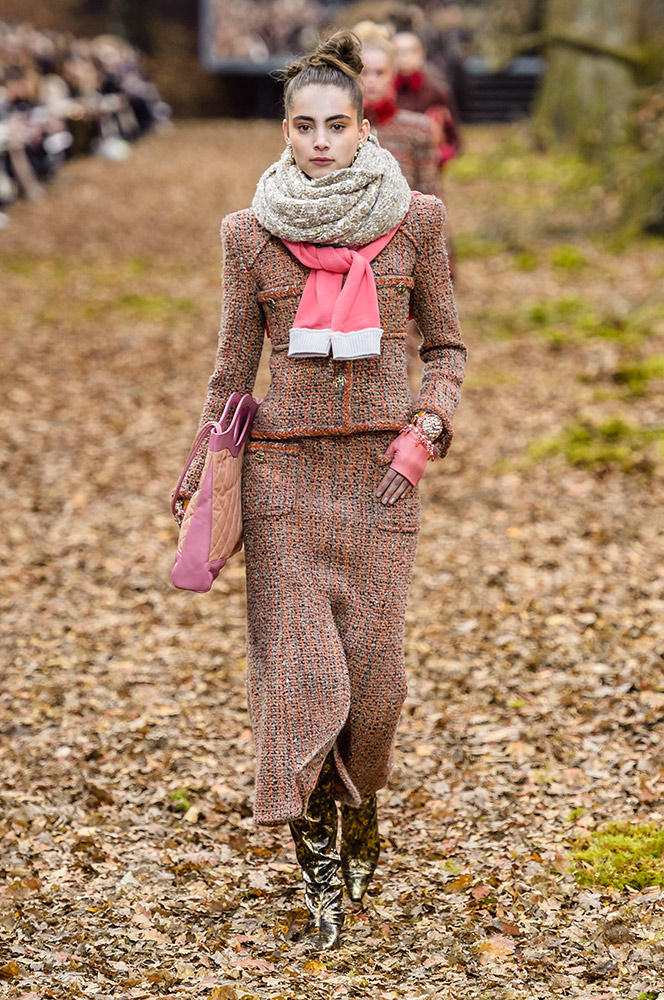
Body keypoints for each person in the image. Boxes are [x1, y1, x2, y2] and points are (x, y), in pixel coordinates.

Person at [174, 29, 465, 952]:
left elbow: (447, 346)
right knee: (302, 682)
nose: (321, 141)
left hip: (381, 481)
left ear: (363, 126)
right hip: (284, 482)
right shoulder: (248, 233)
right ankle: (321, 878)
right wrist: (200, 470)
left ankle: (362, 809)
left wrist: (429, 423)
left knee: (376, 692)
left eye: (337, 125)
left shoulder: (416, 220)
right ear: (285, 131)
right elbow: (233, 369)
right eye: (305, 127)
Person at [355, 23, 441, 198]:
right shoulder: (340, 129)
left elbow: (430, 195)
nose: (371, 81)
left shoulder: (418, 128)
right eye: (365, 73)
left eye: (380, 73)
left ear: (392, 75)